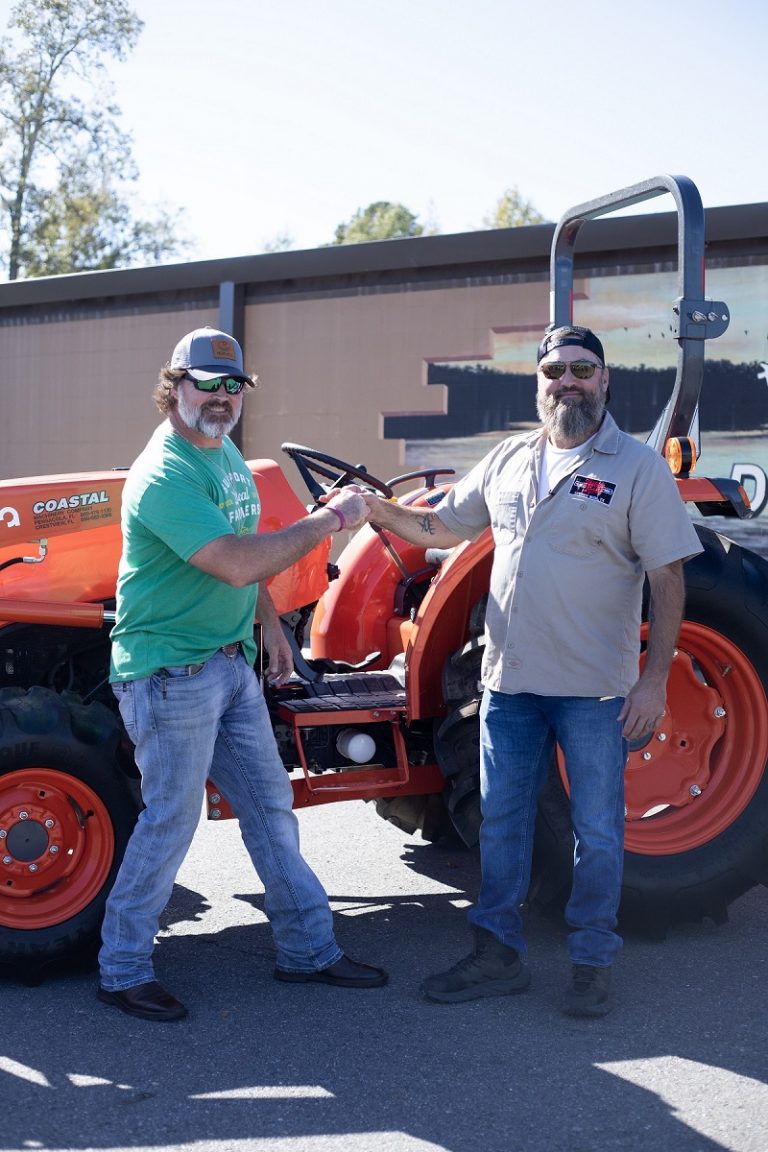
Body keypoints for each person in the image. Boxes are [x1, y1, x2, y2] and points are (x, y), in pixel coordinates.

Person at [359, 324, 702, 1017]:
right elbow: (442, 529)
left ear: (604, 380)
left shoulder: (638, 468)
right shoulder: (510, 458)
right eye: (554, 371)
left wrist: (654, 678)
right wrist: (372, 508)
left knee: (598, 830)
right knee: (503, 824)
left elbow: (667, 578)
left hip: (594, 690)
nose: (567, 381)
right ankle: (497, 954)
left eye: (582, 369)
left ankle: (592, 961)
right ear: (539, 383)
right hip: (509, 685)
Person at [98, 326, 386, 1022]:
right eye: (208, 384)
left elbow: (244, 552)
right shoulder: (165, 472)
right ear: (176, 386)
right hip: (169, 673)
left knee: (269, 809)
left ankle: (309, 950)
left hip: (226, 665)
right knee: (169, 821)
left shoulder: (220, 451)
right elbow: (232, 558)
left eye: (233, 387)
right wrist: (328, 520)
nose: (222, 398)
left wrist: (265, 619)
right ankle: (122, 967)